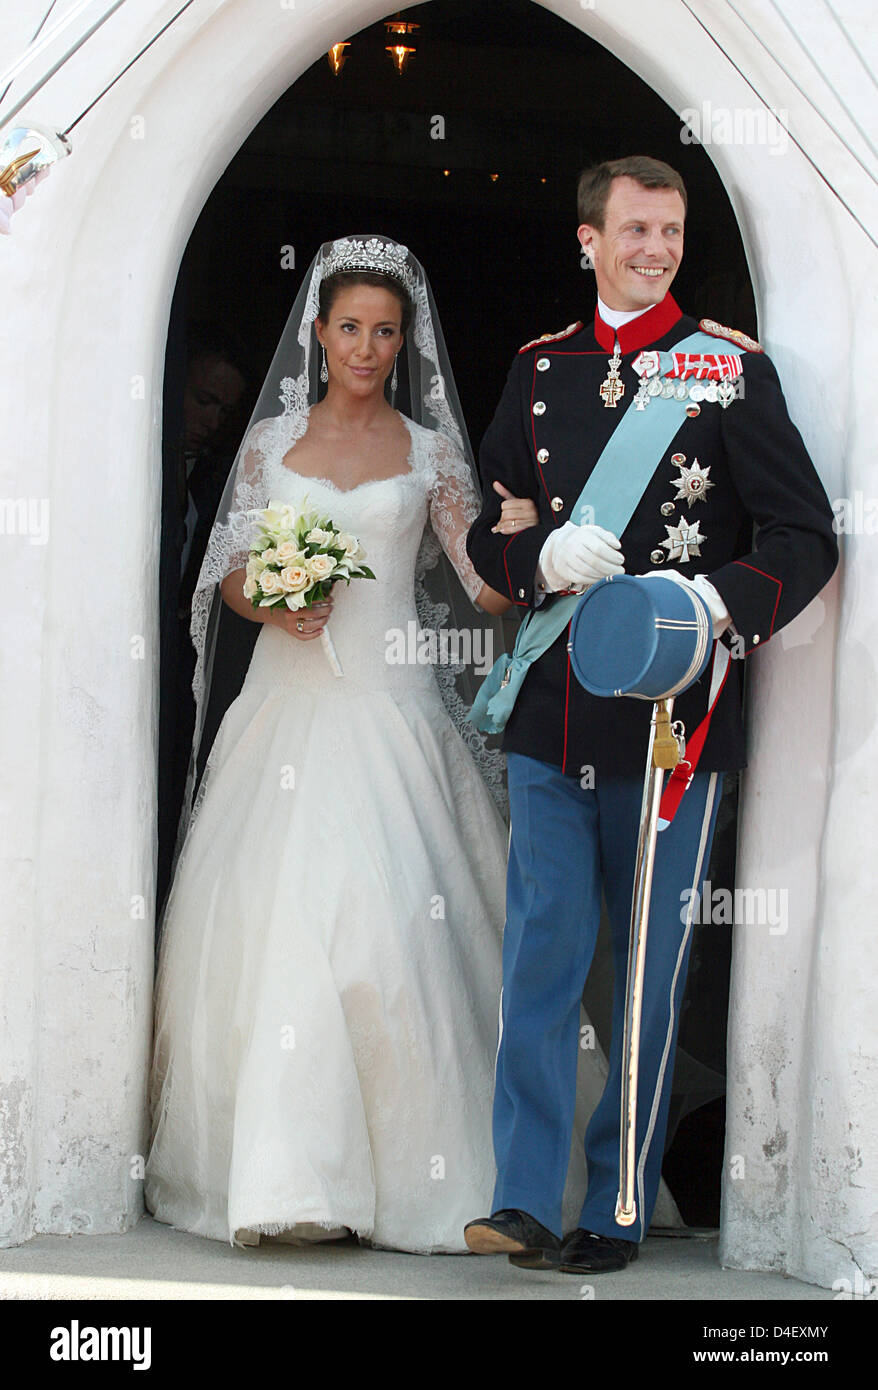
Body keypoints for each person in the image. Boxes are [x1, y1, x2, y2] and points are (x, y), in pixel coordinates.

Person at [463, 157, 838, 1274]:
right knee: (537, 954)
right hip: (549, 712)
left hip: (672, 713)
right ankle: (521, 1199)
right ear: (588, 240)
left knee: (644, 968)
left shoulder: (723, 371)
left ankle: (614, 1203)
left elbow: (801, 536)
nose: (654, 247)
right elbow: (486, 531)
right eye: (633, 229)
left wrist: (708, 601)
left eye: (669, 230)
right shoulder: (537, 367)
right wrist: (537, 553)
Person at [144, 235, 556, 1253]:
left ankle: (433, 1182)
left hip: (394, 714)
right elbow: (227, 576)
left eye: (384, 330)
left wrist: (536, 539)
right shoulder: (266, 444)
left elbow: (480, 580)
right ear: (319, 335)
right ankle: (289, 1180)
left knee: (386, 934)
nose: (366, 347)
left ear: (401, 337)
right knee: (274, 933)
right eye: (348, 328)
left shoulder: (427, 454)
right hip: (282, 713)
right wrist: (273, 599)